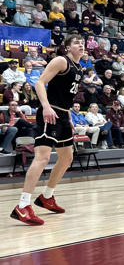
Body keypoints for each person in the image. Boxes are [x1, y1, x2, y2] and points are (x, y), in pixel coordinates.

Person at [12, 34, 83, 226]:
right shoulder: (61, 60)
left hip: (63, 115)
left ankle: (46, 197)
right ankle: (23, 205)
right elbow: (39, 82)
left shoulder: (79, 68)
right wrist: (46, 106)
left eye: (83, 43)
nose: (81, 45)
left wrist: (68, 115)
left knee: (67, 157)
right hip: (48, 113)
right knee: (42, 158)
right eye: (77, 43)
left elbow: (66, 96)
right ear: (68, 47)